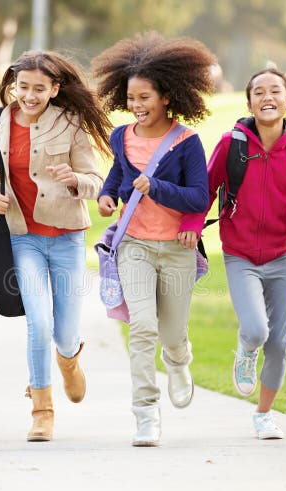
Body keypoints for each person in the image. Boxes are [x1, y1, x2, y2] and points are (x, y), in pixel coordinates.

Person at [0, 50, 112, 442]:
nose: (30, 96)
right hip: (24, 237)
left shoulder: (71, 123)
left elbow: (95, 179)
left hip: (68, 237)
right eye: (23, 87)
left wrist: (74, 178)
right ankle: (42, 411)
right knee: (38, 323)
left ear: (55, 89)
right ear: (13, 85)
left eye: (40, 88)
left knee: (64, 332)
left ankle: (69, 360)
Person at [91, 33, 217, 447]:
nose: (137, 106)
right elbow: (118, 178)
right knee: (143, 327)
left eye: (144, 97)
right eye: (131, 98)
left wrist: (155, 188)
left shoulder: (187, 143)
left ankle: (179, 361)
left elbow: (199, 195)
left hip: (177, 250)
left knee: (172, 334)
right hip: (135, 246)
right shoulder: (121, 138)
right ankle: (146, 413)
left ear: (166, 96)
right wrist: (107, 196)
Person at [206, 68, 286, 439]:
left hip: (283, 254)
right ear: (250, 103)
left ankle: (263, 414)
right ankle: (245, 348)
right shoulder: (231, 145)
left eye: (275, 91)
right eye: (259, 91)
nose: (267, 96)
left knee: (280, 343)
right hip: (239, 253)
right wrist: (191, 228)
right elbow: (206, 190)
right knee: (256, 330)